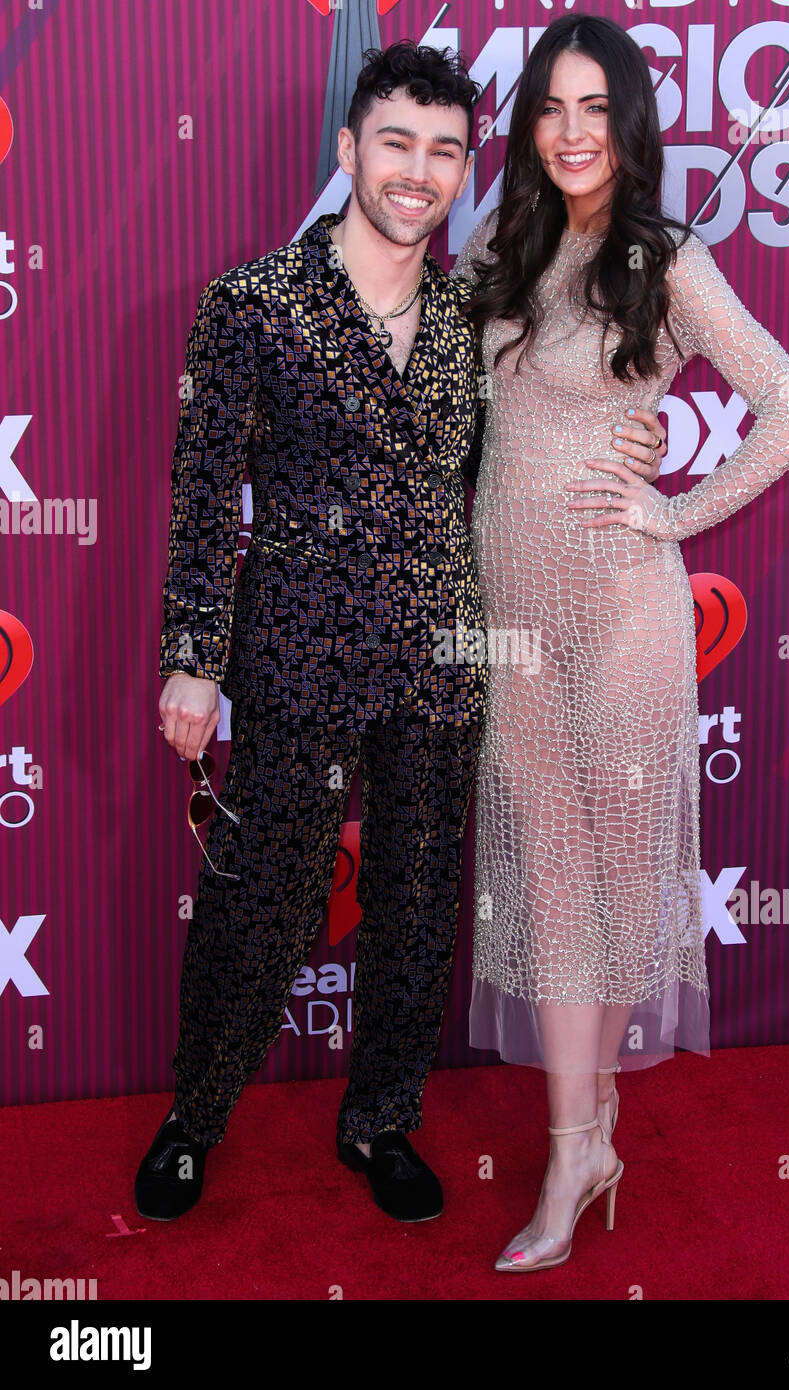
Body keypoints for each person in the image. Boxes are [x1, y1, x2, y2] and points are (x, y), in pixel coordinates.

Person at [136, 38, 667, 1226]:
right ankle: (193, 1116)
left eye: (442, 150)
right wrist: (191, 654)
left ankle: (379, 1121)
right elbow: (202, 492)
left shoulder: (479, 310)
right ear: (349, 150)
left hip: (443, 656)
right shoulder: (250, 307)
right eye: (395, 142)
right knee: (258, 900)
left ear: (463, 166)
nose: (417, 170)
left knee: (418, 906)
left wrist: (644, 443)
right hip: (293, 655)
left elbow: (554, 427)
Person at [450, 12, 789, 1271]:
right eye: (549, 109)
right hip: (504, 621)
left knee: (611, 876)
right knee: (549, 878)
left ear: (627, 123)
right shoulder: (498, 250)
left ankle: (574, 1147)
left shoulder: (663, 256)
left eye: (593, 108)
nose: (569, 133)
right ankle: (588, 1125)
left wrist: (673, 501)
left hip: (622, 610)